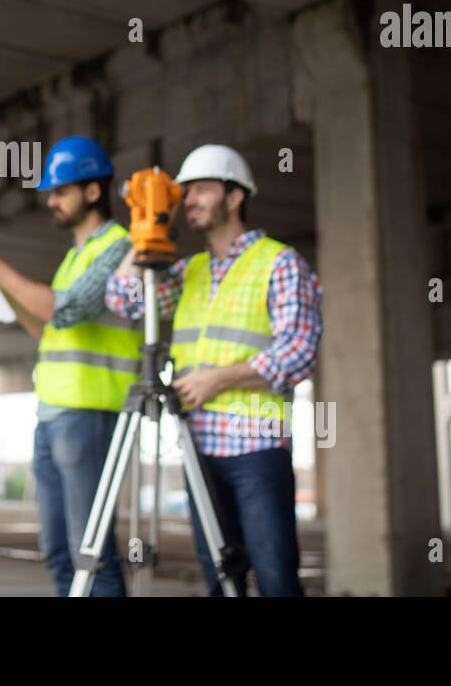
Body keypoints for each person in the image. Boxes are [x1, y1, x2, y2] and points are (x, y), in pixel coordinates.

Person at [106, 144, 322, 596]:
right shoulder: (190, 270)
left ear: (236, 196)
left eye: (202, 189)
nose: (189, 200)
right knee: (220, 581)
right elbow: (122, 299)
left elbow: (300, 350)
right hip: (199, 448)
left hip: (256, 450)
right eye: (185, 192)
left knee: (276, 578)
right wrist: (141, 229)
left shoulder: (279, 263)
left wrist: (217, 379)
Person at [0, 137, 139, 596]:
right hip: (54, 415)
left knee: (91, 553)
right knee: (60, 552)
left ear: (93, 192)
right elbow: (47, 329)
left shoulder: (118, 248)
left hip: (90, 415)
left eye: (60, 191)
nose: (51, 200)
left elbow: (65, 309)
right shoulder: (74, 257)